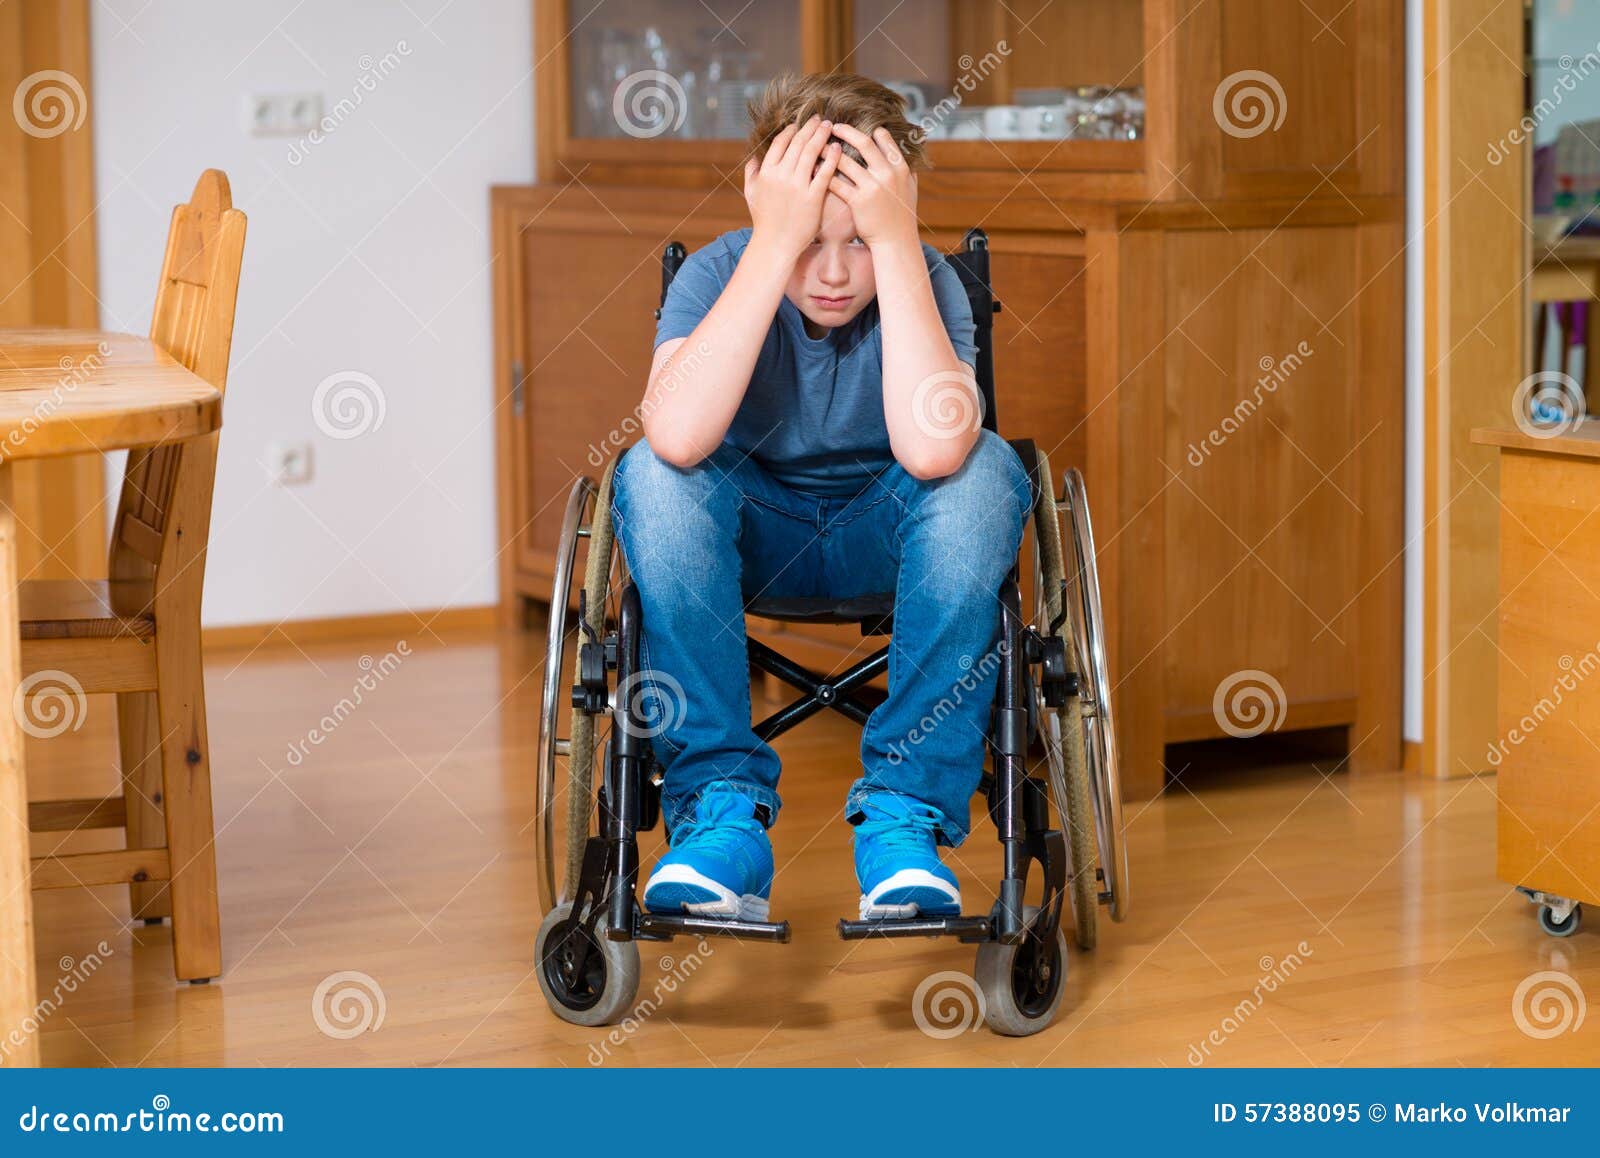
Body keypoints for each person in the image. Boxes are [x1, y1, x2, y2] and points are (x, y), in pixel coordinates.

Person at [609, 72, 1031, 922]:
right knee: (652, 472)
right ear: (760, 200)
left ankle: (904, 815)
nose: (834, 274)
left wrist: (898, 240)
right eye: (810, 240)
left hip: (896, 534)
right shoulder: (719, 272)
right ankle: (721, 813)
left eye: (858, 241)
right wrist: (774, 243)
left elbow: (934, 448)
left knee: (984, 468)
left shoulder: (928, 277)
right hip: (748, 538)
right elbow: (678, 439)